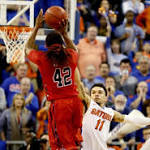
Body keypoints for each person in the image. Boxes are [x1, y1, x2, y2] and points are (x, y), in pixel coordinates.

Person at [25, 10, 83, 150]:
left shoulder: (43, 58)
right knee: (75, 140)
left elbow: (27, 48)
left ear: (46, 45)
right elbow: (74, 49)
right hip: (76, 102)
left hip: (60, 104)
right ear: (62, 43)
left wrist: (37, 27)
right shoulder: (70, 55)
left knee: (59, 144)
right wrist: (64, 33)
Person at [77, 82, 150, 150]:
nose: (96, 94)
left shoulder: (110, 112)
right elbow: (79, 86)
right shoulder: (88, 105)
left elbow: (130, 119)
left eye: (100, 92)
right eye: (93, 92)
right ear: (90, 96)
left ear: (106, 98)